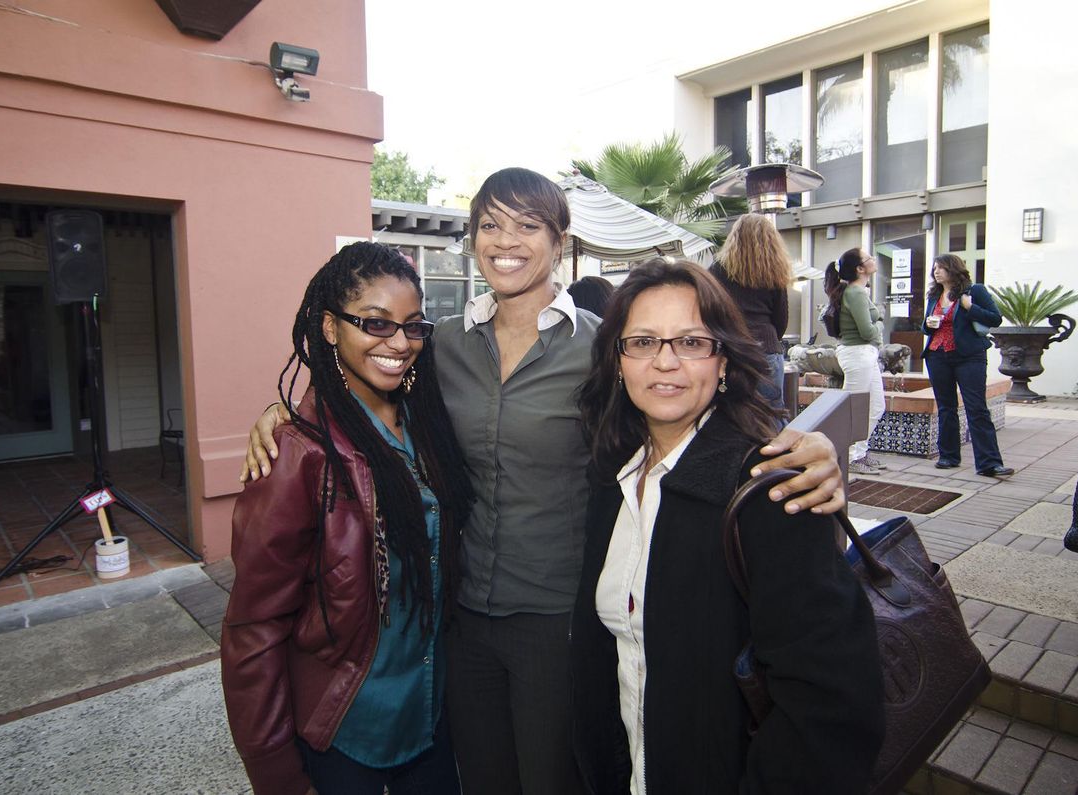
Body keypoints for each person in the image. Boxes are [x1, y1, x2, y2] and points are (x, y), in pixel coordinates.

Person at [240, 168, 850, 795]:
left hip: (558, 619)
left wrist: (807, 444)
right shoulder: (441, 343)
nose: (507, 240)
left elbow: (688, 399)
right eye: (489, 224)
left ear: (559, 241)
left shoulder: (601, 347)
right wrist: (288, 412)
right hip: (463, 618)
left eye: (528, 225)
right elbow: (365, 373)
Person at [570, 257, 885, 794]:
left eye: (690, 342)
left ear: (723, 364)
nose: (664, 362)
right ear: (618, 362)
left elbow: (831, 707)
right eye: (643, 342)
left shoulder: (769, 491)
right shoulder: (611, 478)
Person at [220, 242, 474, 795]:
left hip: (430, 714)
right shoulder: (298, 452)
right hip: (346, 730)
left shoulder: (427, 422)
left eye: (412, 326)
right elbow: (253, 629)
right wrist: (276, 775)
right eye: (375, 324)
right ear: (331, 328)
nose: (399, 344)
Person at [922, 254, 1014, 477]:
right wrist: (927, 324)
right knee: (946, 407)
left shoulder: (975, 291)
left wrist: (969, 307)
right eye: (935, 268)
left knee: (976, 407)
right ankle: (948, 456)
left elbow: (995, 318)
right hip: (937, 355)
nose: (936, 271)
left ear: (953, 269)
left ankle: (989, 463)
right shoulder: (934, 295)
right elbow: (926, 328)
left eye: (941, 267)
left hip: (969, 356)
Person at [709, 213, 791, 418]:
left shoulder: (718, 270)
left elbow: (709, 311)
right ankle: (777, 450)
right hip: (767, 350)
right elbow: (781, 320)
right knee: (773, 411)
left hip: (732, 349)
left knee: (732, 413)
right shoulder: (775, 270)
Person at [824, 248, 887, 475]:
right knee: (853, 408)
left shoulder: (857, 291)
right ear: (860, 268)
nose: (874, 260)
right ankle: (848, 456)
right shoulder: (856, 293)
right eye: (869, 258)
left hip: (862, 354)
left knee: (876, 406)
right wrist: (880, 322)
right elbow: (868, 331)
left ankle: (859, 452)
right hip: (857, 353)